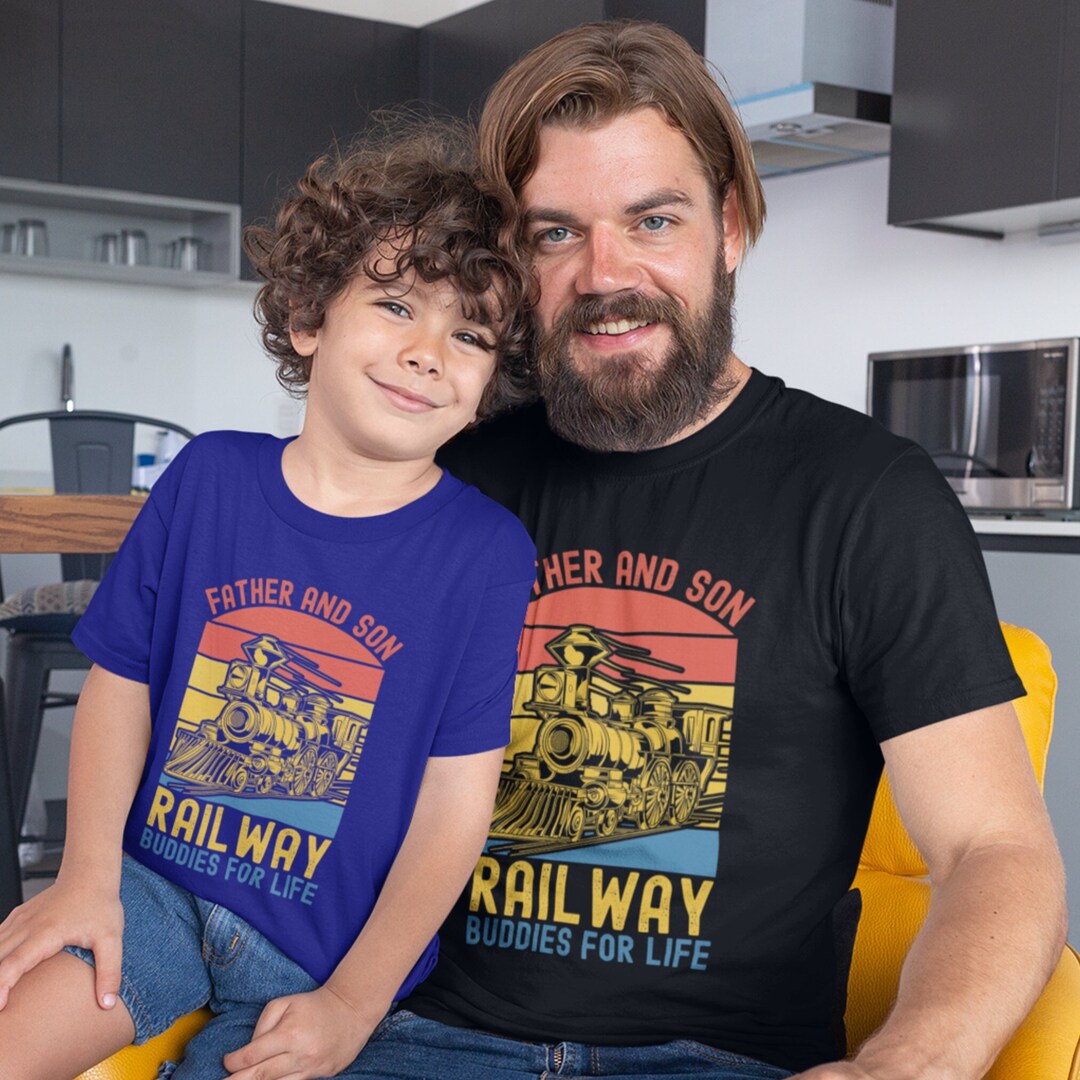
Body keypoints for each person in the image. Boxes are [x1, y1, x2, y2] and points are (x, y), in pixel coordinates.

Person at [349, 20, 1068, 1080]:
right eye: (556, 233)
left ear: (729, 228)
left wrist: (911, 1058)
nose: (605, 273)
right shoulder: (449, 474)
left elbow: (995, 850)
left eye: (653, 220)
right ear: (515, 261)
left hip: (716, 1059)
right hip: (422, 1038)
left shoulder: (868, 496)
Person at [0, 119, 537, 1079]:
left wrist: (351, 1003)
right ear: (308, 320)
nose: (428, 351)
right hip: (150, 895)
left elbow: (457, 805)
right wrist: (85, 880)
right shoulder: (207, 477)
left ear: (490, 380)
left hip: (319, 955)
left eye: (469, 333)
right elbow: (120, 682)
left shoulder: (486, 552)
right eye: (396, 304)